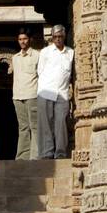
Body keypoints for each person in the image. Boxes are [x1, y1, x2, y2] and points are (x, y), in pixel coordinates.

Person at [36, 25, 74, 159]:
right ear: (52, 38)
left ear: (64, 37)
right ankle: (47, 153)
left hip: (62, 93)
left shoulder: (70, 52)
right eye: (55, 37)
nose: (58, 39)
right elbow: (40, 71)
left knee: (60, 123)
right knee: (45, 124)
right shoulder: (45, 52)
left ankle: (60, 153)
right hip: (46, 90)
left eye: (60, 36)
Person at [9, 29, 40, 159]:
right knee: (23, 127)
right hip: (17, 96)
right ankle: (22, 156)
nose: (23, 41)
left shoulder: (37, 55)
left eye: (25, 39)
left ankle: (35, 156)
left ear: (30, 40)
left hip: (32, 95)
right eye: (20, 39)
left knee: (35, 127)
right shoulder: (15, 58)